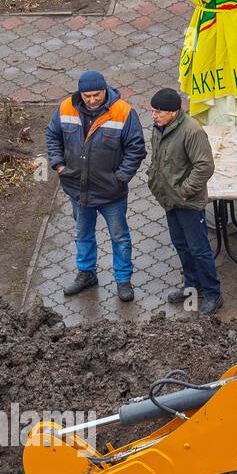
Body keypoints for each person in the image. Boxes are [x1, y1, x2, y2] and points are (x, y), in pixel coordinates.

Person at [45, 70, 146, 302]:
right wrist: (59, 165)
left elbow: (136, 148)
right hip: (78, 190)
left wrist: (120, 177)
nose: (92, 100)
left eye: (97, 95)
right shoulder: (65, 108)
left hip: (111, 193)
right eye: (87, 96)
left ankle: (123, 280)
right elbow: (52, 135)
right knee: (82, 234)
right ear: (80, 94)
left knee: (119, 237)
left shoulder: (123, 112)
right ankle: (86, 274)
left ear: (105, 90)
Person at [146, 88, 222, 316]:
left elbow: (205, 166)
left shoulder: (192, 131)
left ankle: (212, 294)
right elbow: (158, 158)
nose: (154, 115)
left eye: (158, 112)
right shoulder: (159, 128)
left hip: (188, 202)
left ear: (173, 112)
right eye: (153, 111)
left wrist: (185, 191)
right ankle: (192, 286)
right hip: (169, 200)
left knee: (199, 249)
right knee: (181, 244)